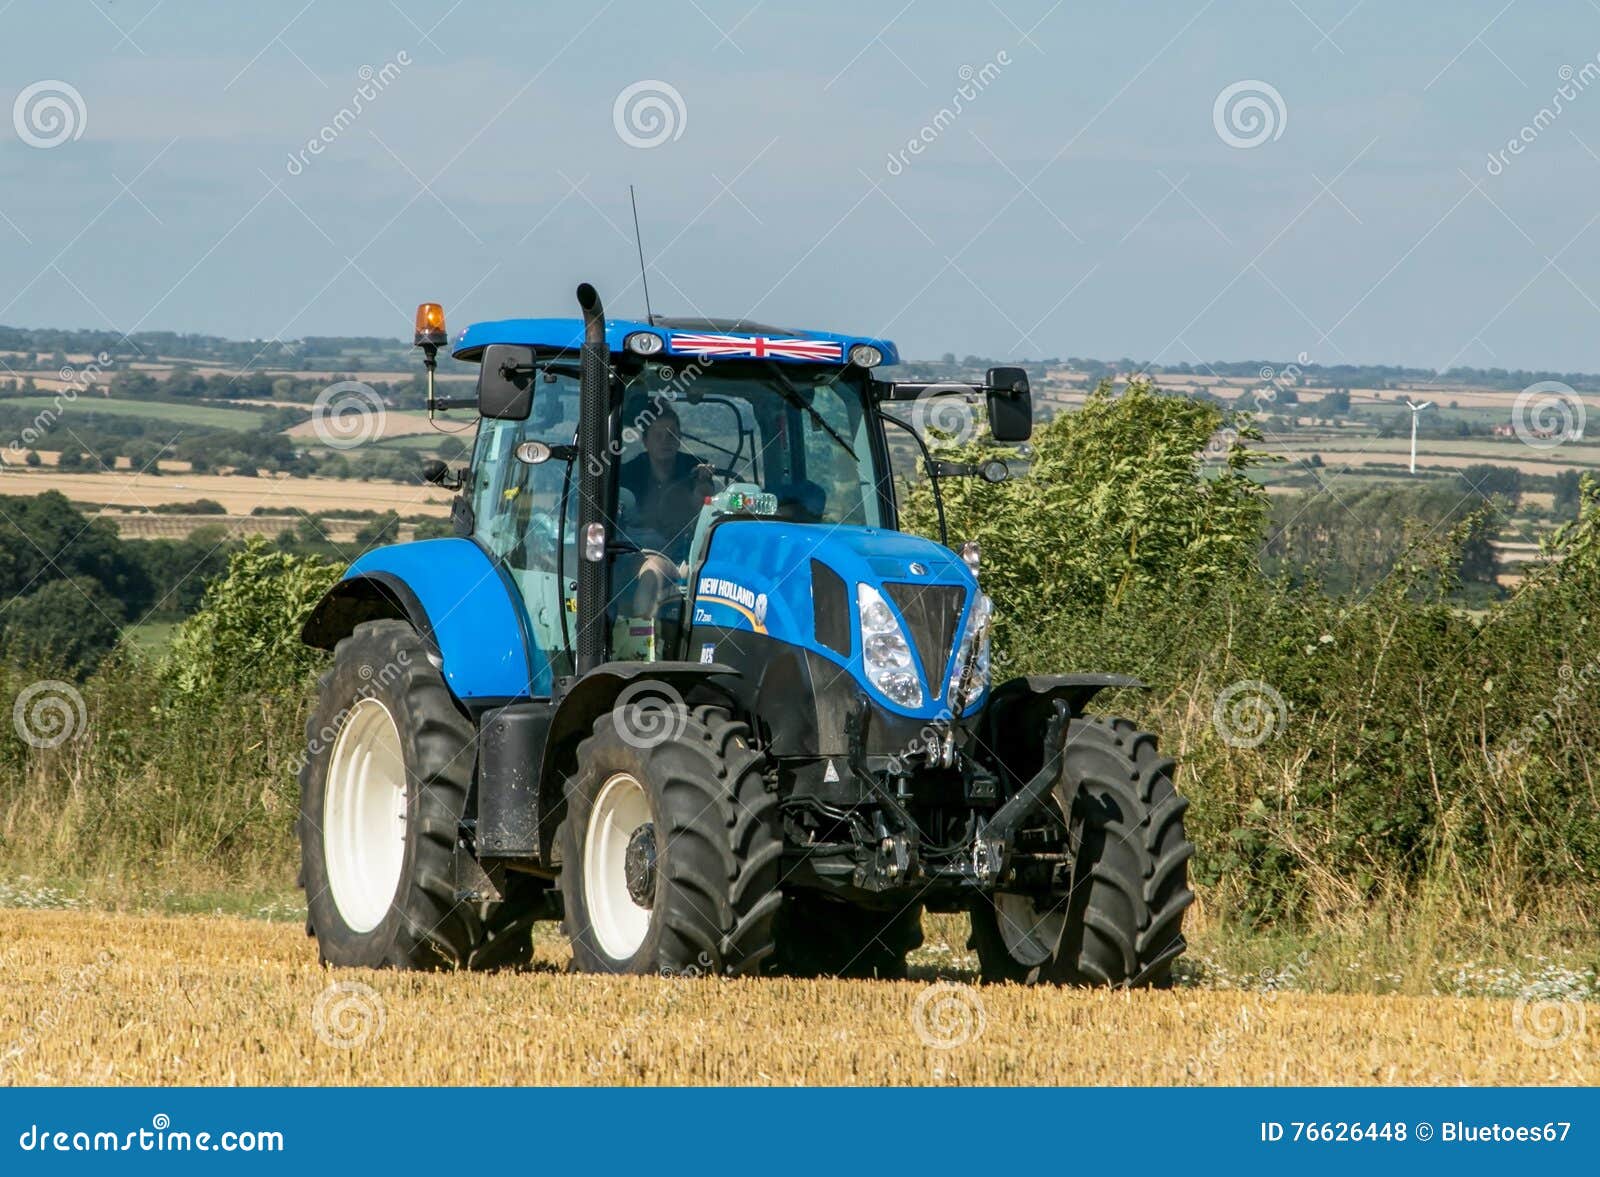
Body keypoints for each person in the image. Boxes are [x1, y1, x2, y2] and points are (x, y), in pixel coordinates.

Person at [618, 407, 713, 561]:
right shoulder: (626, 475)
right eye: (658, 436)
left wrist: (703, 487)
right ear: (645, 441)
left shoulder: (696, 470)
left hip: (689, 552)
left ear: (679, 439)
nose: (665, 441)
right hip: (640, 554)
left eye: (671, 435)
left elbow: (704, 511)